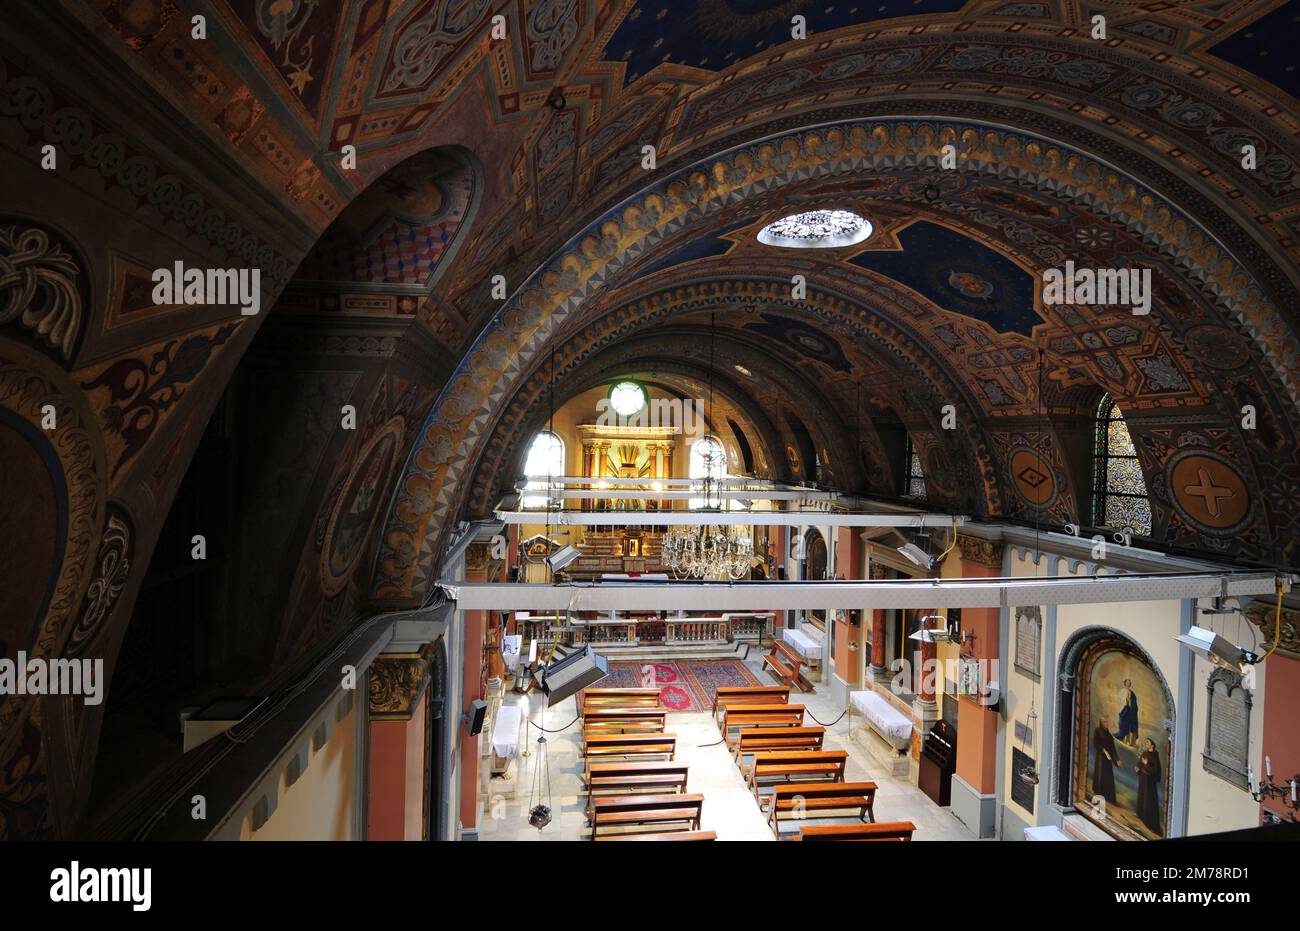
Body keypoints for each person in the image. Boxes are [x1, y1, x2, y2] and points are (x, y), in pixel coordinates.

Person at [1134, 737, 1163, 836]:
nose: (1146, 743)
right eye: (1145, 742)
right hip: (1143, 780)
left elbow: (1156, 771)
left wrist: (1146, 765)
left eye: (1148, 742)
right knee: (1141, 796)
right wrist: (1137, 768)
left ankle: (1149, 822)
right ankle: (1140, 815)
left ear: (1152, 745)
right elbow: (1139, 764)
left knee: (1149, 800)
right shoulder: (1144, 753)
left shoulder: (1155, 756)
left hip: (1150, 783)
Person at [1092, 718, 1120, 804]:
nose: (1106, 723)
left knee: (1108, 777)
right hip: (1101, 758)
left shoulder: (1109, 735)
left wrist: (1117, 760)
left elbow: (1113, 750)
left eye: (1107, 721)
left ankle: (1108, 797)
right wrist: (1104, 751)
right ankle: (1099, 794)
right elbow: (1096, 743)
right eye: (1104, 722)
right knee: (1100, 775)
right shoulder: (1097, 731)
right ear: (1101, 723)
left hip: (1108, 761)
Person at [1115, 677, 1140, 746]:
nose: (1128, 684)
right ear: (1125, 683)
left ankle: (1129, 741)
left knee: (1130, 725)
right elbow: (1121, 699)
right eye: (1127, 683)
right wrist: (1126, 703)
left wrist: (1132, 706)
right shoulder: (1122, 691)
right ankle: (1123, 740)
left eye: (1129, 683)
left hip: (1130, 711)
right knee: (1124, 724)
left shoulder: (1132, 693)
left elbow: (1134, 702)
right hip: (1124, 710)